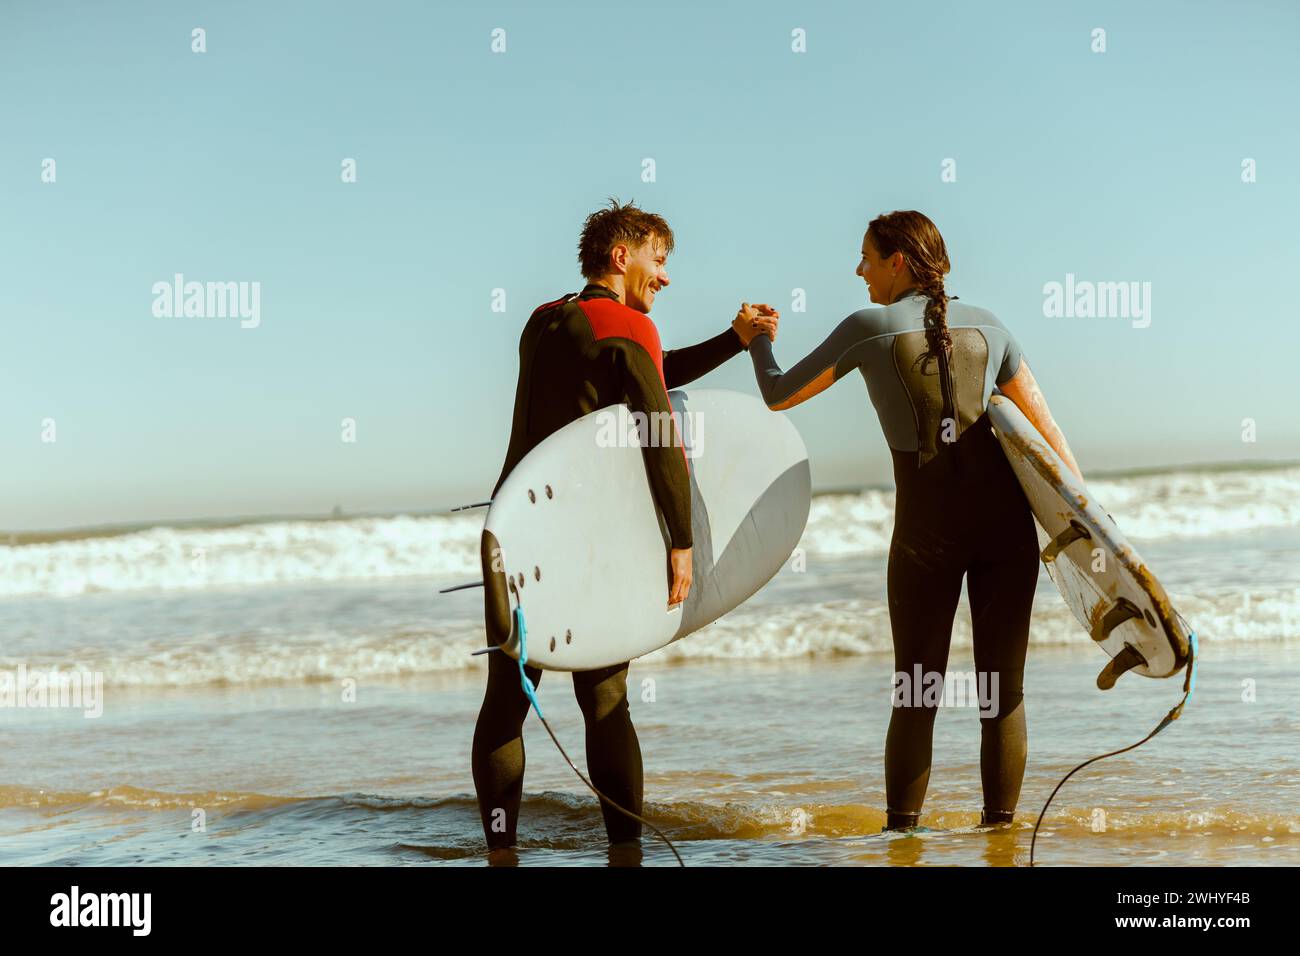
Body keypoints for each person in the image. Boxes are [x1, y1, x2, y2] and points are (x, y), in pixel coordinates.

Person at [744, 210, 1081, 832]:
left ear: (897, 261)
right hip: (1008, 537)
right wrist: (1090, 527)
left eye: (866, 257)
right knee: (1001, 695)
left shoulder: (869, 328)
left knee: (917, 693)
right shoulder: (992, 325)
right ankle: (1000, 838)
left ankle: (902, 840)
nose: (859, 269)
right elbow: (1048, 434)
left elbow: (780, 392)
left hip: (926, 541)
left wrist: (755, 339)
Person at [473, 199, 777, 861]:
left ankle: (500, 852)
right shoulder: (626, 328)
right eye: (658, 260)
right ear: (623, 255)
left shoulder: (547, 322)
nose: (664, 277)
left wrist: (733, 339)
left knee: (506, 699)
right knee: (605, 696)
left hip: (513, 530)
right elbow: (660, 430)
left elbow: (648, 374)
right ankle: (627, 852)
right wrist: (682, 543)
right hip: (581, 542)